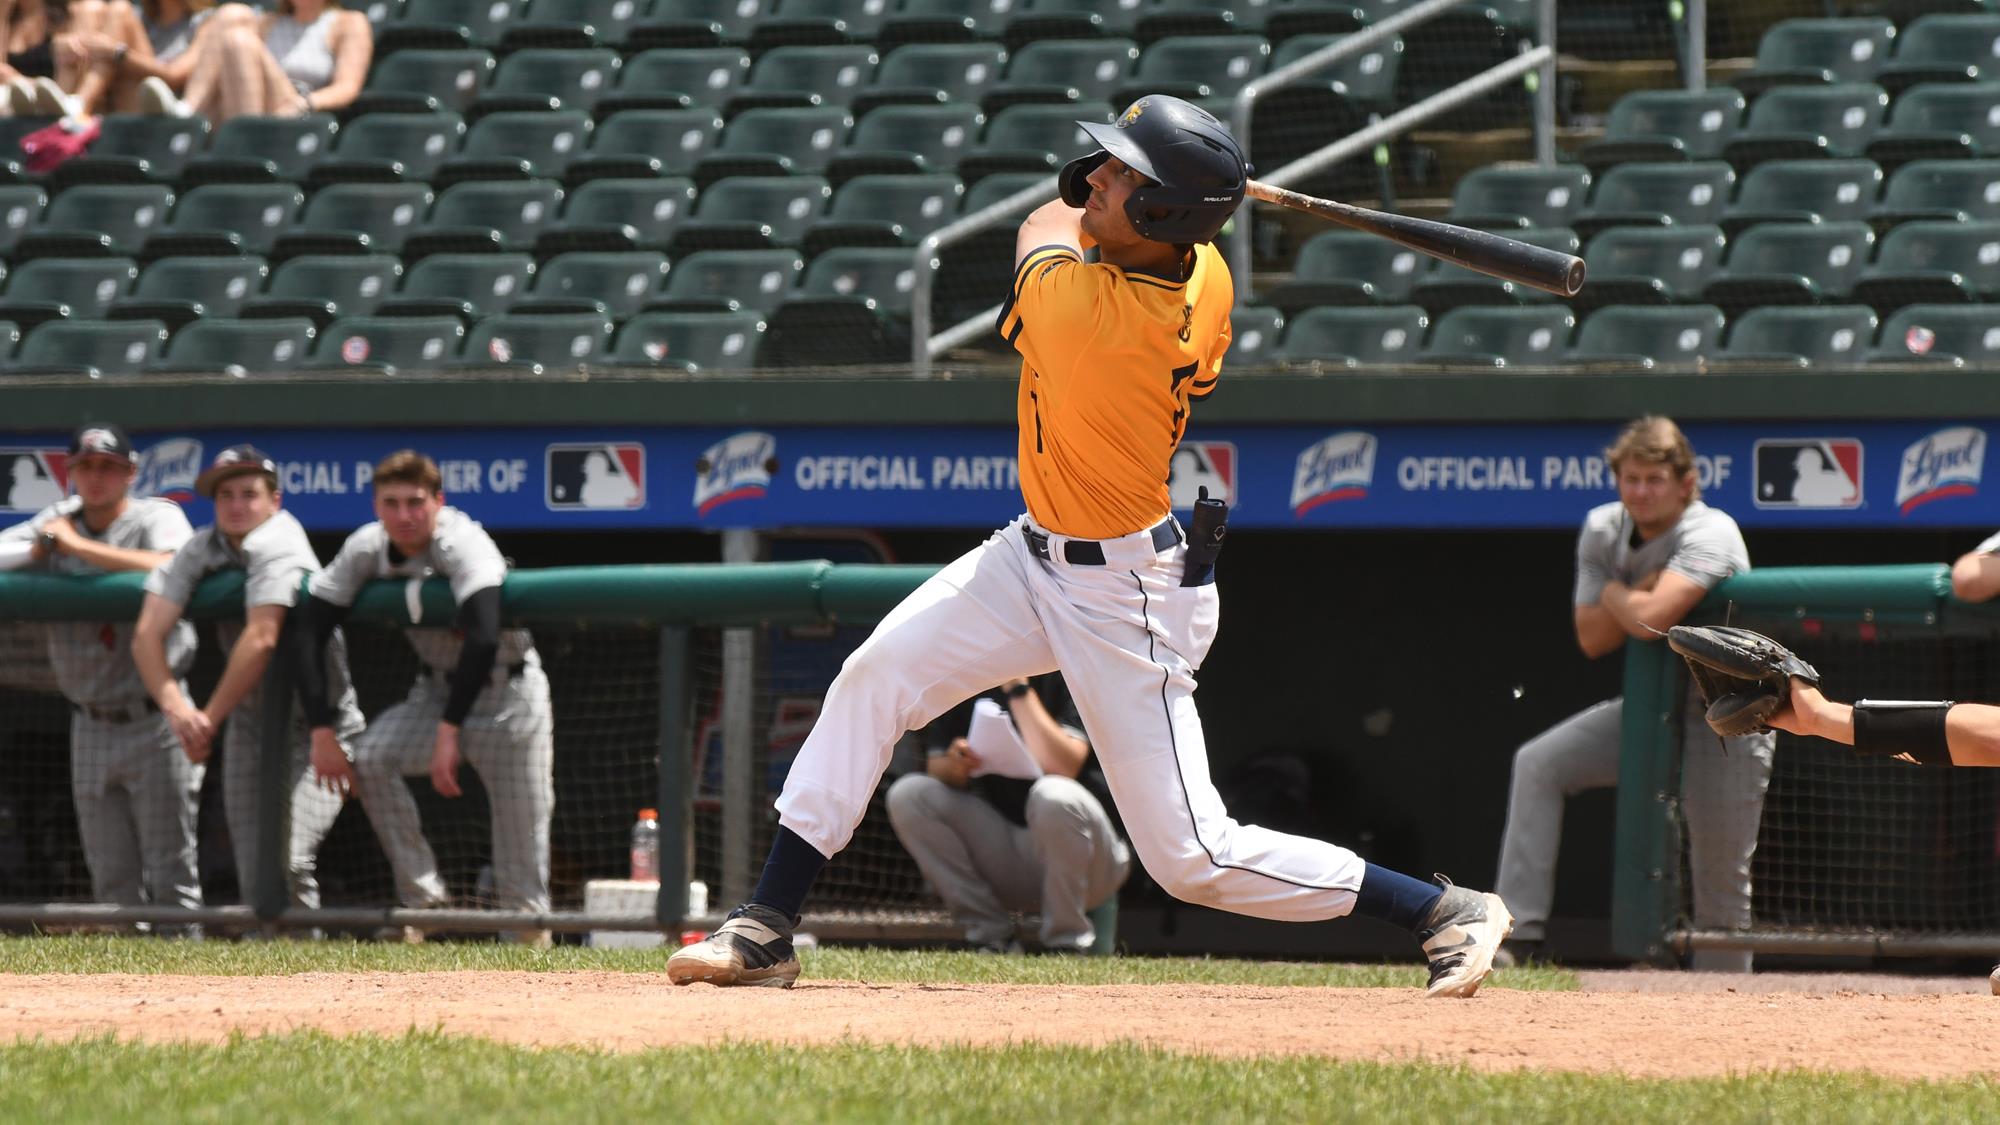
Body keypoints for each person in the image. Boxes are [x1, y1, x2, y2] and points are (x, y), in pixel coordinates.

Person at [668, 95, 1513, 997]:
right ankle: (768, 922)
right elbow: (1116, 224)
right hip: (1033, 555)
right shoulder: (1204, 270)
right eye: (1105, 166)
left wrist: (1107, 194)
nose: (1097, 178)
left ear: (1164, 212)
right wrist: (1159, 187)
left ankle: (1439, 909)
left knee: (1191, 856)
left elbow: (1041, 222)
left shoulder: (1089, 318)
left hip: (1125, 594)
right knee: (876, 674)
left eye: (1122, 173)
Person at [1493, 416, 1772, 972]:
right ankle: (1519, 935)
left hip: (1732, 713)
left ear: (1685, 483)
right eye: (1632, 478)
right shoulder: (1603, 527)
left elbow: (1651, 621)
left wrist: (1617, 594)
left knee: (1720, 875)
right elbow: (1592, 638)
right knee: (1539, 763)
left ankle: (1731, 1003)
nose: (1641, 491)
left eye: (1655, 479)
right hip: (1655, 709)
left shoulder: (1712, 530)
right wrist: (1633, 596)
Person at [292, 449, 555, 946]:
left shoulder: (463, 540)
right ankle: (424, 902)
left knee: (521, 833)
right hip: (436, 690)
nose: (404, 515)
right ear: (376, 506)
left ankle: (526, 944)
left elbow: (483, 635)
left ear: (438, 501)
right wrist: (322, 730)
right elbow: (309, 629)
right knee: (371, 756)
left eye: (416, 502)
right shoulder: (367, 546)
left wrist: (448, 732)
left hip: (509, 694)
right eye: (391, 503)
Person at [132, 444, 365, 908]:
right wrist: (180, 713)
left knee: (288, 860)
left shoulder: (280, 539)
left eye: (249, 494)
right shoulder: (204, 545)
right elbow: (146, 636)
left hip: (318, 726)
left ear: (274, 500)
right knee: (254, 867)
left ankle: (310, 951)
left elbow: (261, 638)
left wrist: (207, 720)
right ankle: (270, 952)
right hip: (251, 723)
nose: (236, 505)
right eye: (226, 495)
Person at [0, 424, 203, 924]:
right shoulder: (58, 520)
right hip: (89, 721)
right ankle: (126, 970)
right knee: (110, 876)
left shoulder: (157, 515)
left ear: (130, 473)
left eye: (109, 467)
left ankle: (189, 967)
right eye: (86, 466)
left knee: (171, 871)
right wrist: (40, 550)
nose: (96, 476)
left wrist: (77, 549)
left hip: (156, 718)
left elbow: (174, 563)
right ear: (71, 472)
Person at [886, 674, 1130, 954]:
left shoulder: (1071, 669)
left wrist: (1017, 687)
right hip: (1012, 854)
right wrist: (957, 764)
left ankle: (1067, 944)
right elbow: (936, 766)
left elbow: (1061, 766)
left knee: (1053, 795)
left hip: (1094, 866)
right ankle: (991, 937)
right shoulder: (971, 672)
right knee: (909, 795)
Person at [134, 0, 369, 123]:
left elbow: (347, 87)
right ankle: (187, 109)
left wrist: (304, 103)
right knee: (231, 14)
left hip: (296, 106)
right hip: (252, 104)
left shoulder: (347, 22)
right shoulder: (268, 22)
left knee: (239, 40)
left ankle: (243, 135)